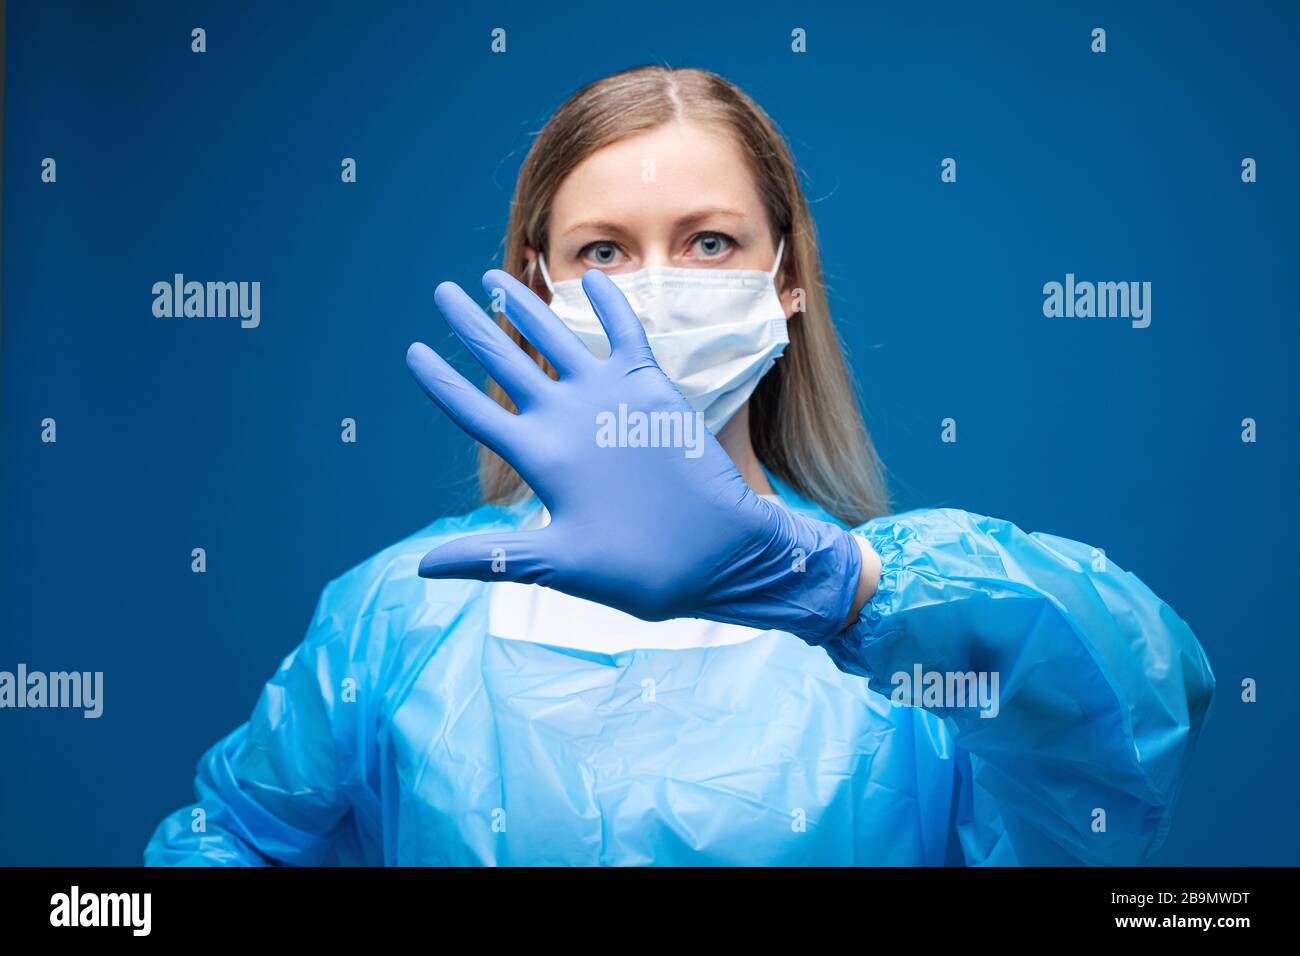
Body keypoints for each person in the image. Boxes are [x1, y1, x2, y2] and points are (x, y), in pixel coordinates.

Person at [145, 66, 1214, 866]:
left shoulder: (898, 621)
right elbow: (221, 844)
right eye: (602, 251)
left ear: (786, 278)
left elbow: (1135, 705)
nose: (645, 294)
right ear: (537, 287)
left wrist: (835, 588)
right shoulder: (403, 616)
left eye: (708, 243)